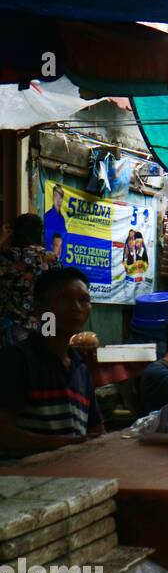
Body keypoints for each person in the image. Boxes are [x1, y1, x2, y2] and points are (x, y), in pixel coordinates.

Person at [0, 267, 105, 457]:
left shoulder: (79, 366)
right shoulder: (19, 359)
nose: (76, 307)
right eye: (64, 299)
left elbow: (96, 430)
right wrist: (65, 445)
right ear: (40, 308)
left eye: (84, 300)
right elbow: (3, 434)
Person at [0, 213, 59, 346]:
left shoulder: (11, 255)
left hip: (17, 320)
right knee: (46, 362)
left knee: (18, 363)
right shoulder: (52, 259)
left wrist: (2, 239)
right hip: (47, 320)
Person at [44, 184, 67, 261]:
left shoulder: (62, 219)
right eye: (55, 196)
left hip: (59, 259)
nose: (58, 199)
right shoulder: (47, 216)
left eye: (60, 197)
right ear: (52, 198)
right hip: (48, 259)